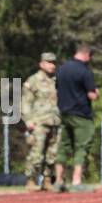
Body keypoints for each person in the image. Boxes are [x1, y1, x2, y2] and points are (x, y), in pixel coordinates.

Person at [54, 44, 98, 192]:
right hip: (81, 114)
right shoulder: (84, 71)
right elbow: (91, 94)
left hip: (64, 113)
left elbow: (57, 89)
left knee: (63, 146)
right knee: (82, 146)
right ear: (86, 55)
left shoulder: (62, 68)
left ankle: (58, 181)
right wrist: (97, 93)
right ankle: (76, 181)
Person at [21, 53, 61, 190]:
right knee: (36, 152)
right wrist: (28, 120)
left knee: (52, 153)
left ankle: (47, 180)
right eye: (49, 62)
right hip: (39, 121)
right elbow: (25, 102)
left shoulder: (56, 80)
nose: (52, 65)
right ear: (41, 64)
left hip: (55, 121)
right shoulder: (33, 80)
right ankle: (31, 180)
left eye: (54, 62)